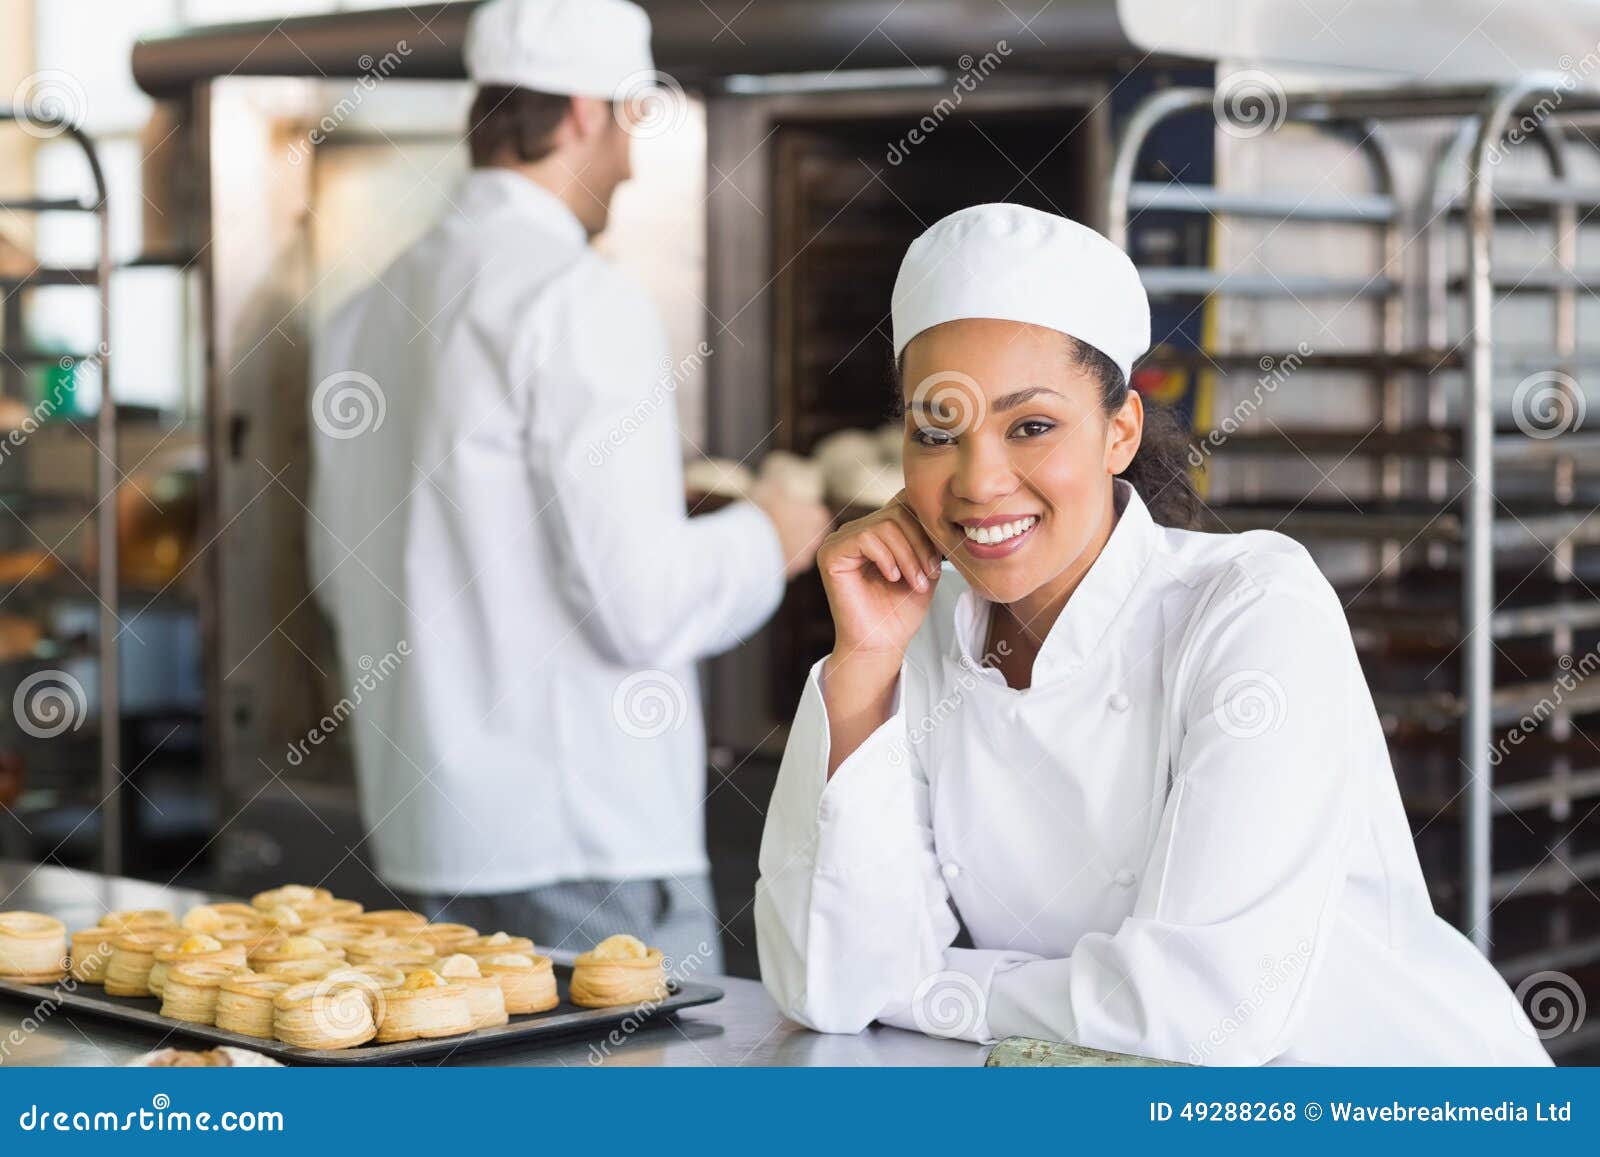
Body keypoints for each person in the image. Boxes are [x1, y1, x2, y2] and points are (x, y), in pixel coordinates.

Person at [754, 202, 1551, 1065]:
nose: (979, 481)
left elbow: (1207, 1010)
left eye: (1031, 426)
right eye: (937, 430)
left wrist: (928, 985)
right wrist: (864, 664)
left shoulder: (1249, 607)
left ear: (1119, 431)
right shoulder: (911, 634)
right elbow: (822, 982)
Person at [307, 0, 828, 967]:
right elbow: (642, 607)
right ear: (586, 113)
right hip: (582, 840)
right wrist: (772, 530)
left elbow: (343, 576)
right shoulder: (576, 297)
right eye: (631, 122)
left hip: (428, 833)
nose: (631, 162)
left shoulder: (367, 307)